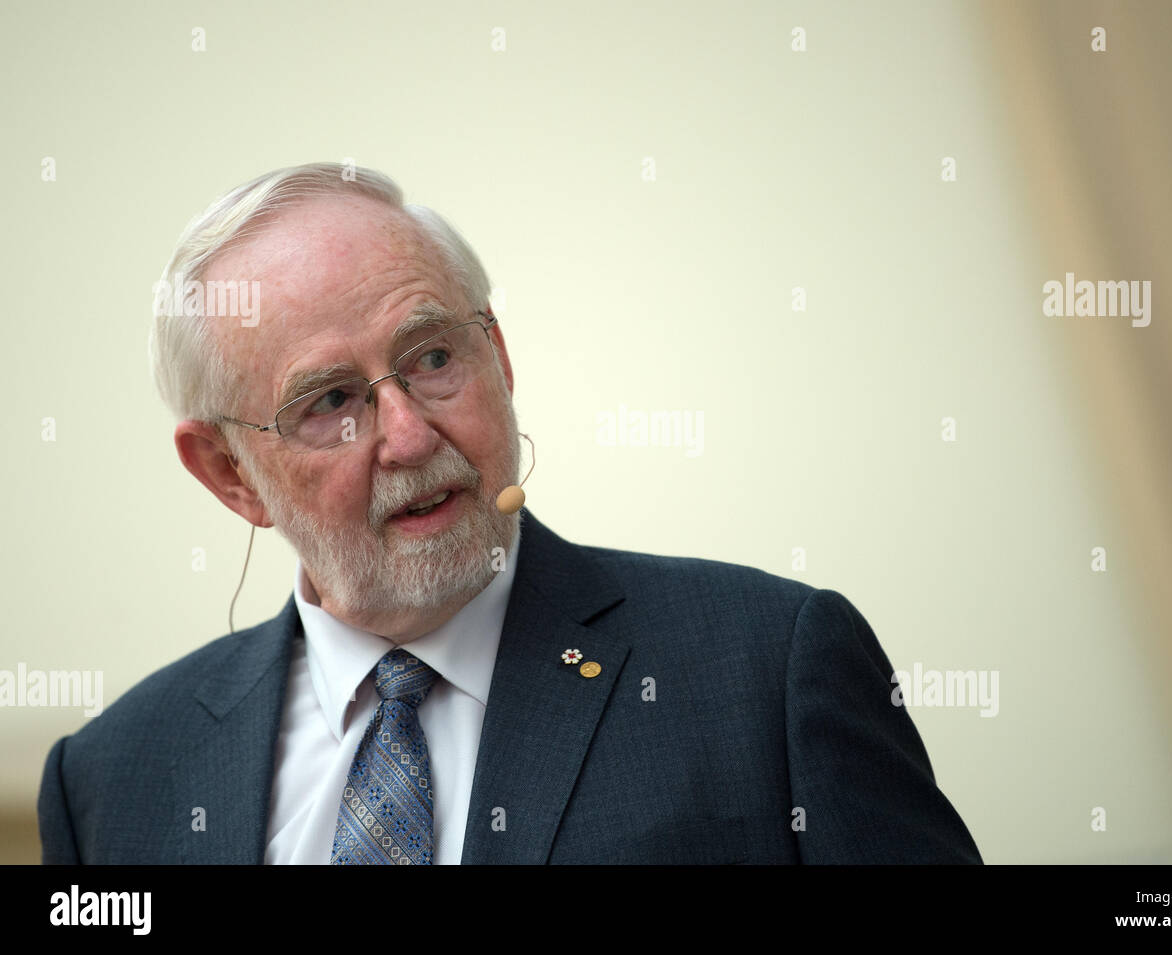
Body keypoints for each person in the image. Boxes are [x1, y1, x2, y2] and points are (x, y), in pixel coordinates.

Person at [37, 163, 982, 864]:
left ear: (502, 358)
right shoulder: (112, 782)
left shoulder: (768, 668)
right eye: (329, 402)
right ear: (228, 473)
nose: (408, 435)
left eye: (435, 357)